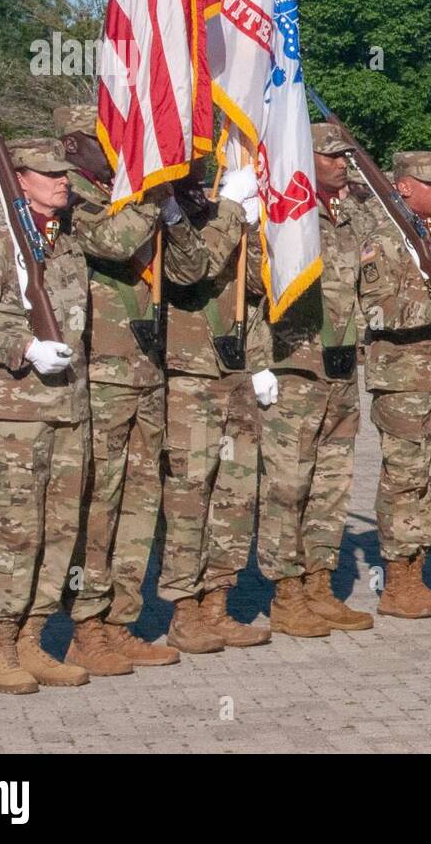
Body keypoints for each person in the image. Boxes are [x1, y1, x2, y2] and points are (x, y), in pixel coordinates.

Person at [55, 105, 213, 673]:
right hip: (100, 374)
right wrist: (151, 196)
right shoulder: (74, 197)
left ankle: (120, 619)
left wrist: (173, 211)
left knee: (141, 505)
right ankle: (85, 624)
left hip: (147, 371)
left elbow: (191, 271)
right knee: (99, 503)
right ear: (76, 142)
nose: (123, 147)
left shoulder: (135, 194)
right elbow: (116, 243)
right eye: (111, 137)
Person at [0, 139, 92, 694]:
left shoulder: (64, 244)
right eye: (48, 173)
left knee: (61, 530)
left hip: (67, 407)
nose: (62, 181)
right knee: (17, 530)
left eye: (64, 172)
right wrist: (23, 347)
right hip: (14, 412)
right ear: (18, 177)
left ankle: (34, 641)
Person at [257, 123, 375, 635]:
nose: (342, 163)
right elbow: (256, 293)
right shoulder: (284, 215)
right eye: (332, 156)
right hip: (295, 366)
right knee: (288, 483)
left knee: (332, 481)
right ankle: (285, 594)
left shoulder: (349, 217)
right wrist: (259, 361)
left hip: (342, 365)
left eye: (345, 156)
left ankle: (318, 583)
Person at [158, 161, 273, 653]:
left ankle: (218, 604)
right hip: (192, 374)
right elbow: (191, 269)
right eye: (191, 181)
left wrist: (254, 226)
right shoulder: (168, 221)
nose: (200, 188)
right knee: (190, 496)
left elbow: (254, 287)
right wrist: (230, 211)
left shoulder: (225, 218)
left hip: (240, 369)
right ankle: (184, 611)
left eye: (206, 179)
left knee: (236, 495)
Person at [357, 150, 431, 619]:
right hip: (402, 380)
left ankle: (419, 572)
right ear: (403, 186)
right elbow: (375, 311)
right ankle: (397, 582)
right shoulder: (384, 240)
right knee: (404, 479)